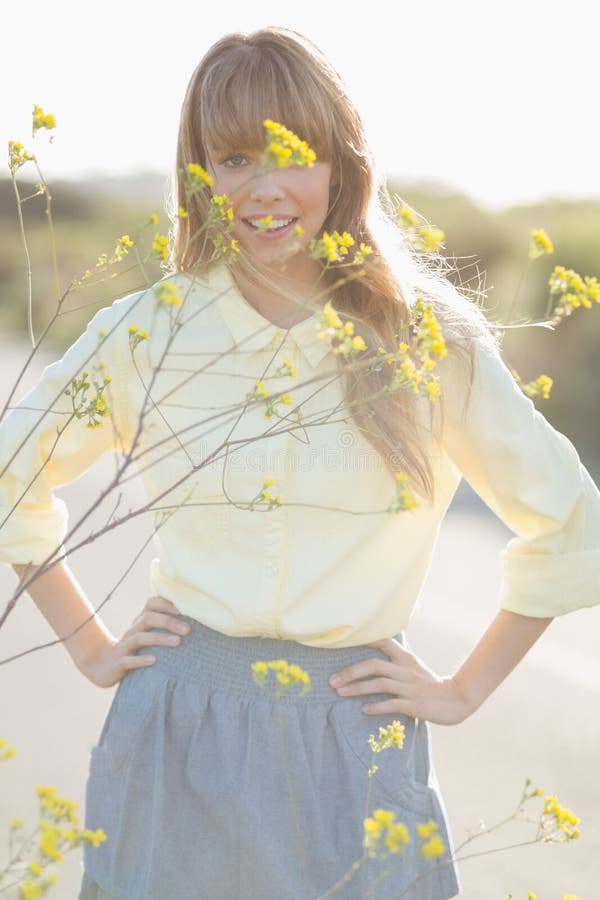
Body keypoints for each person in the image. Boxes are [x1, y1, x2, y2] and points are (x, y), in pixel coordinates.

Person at [1, 25, 599, 900]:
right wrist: (91, 647)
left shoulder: (425, 342)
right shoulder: (153, 328)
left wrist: (465, 690)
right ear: (198, 172)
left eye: (295, 155)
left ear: (343, 166)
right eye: (235, 159)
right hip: (175, 723)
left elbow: (570, 523)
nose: (266, 189)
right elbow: (13, 473)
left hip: (354, 732)